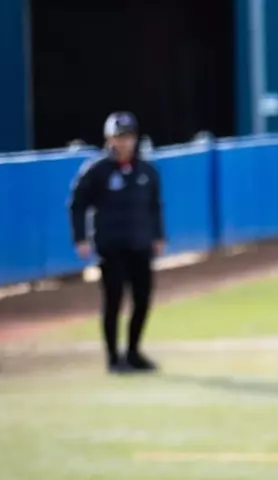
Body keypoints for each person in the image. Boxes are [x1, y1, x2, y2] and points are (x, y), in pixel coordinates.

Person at [69, 112, 165, 374]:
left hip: (140, 244)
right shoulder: (96, 171)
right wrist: (80, 237)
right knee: (113, 300)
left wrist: (158, 235)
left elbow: (155, 206)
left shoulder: (147, 171)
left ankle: (133, 352)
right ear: (109, 138)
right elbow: (77, 204)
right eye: (118, 137)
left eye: (128, 137)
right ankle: (113, 357)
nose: (123, 142)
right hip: (110, 246)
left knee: (142, 299)